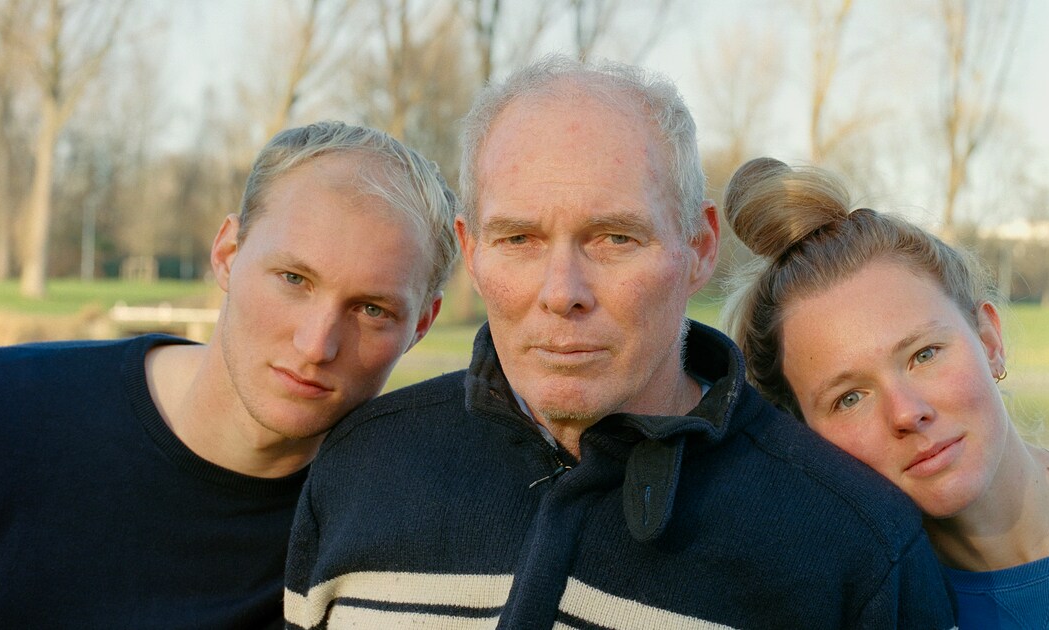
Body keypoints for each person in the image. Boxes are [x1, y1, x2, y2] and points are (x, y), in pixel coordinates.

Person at [283, 57, 956, 629]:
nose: (562, 291)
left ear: (698, 248)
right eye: (519, 239)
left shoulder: (853, 545)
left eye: (614, 238)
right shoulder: (362, 466)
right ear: (472, 250)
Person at [0, 121, 458, 628]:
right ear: (227, 255)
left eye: (371, 310)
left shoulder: (406, 527)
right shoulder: (12, 412)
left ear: (421, 325)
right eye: (293, 279)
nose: (316, 345)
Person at [720, 156, 1049, 629]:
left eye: (924, 354)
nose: (906, 413)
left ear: (990, 340)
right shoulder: (838, 611)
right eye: (849, 397)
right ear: (804, 438)